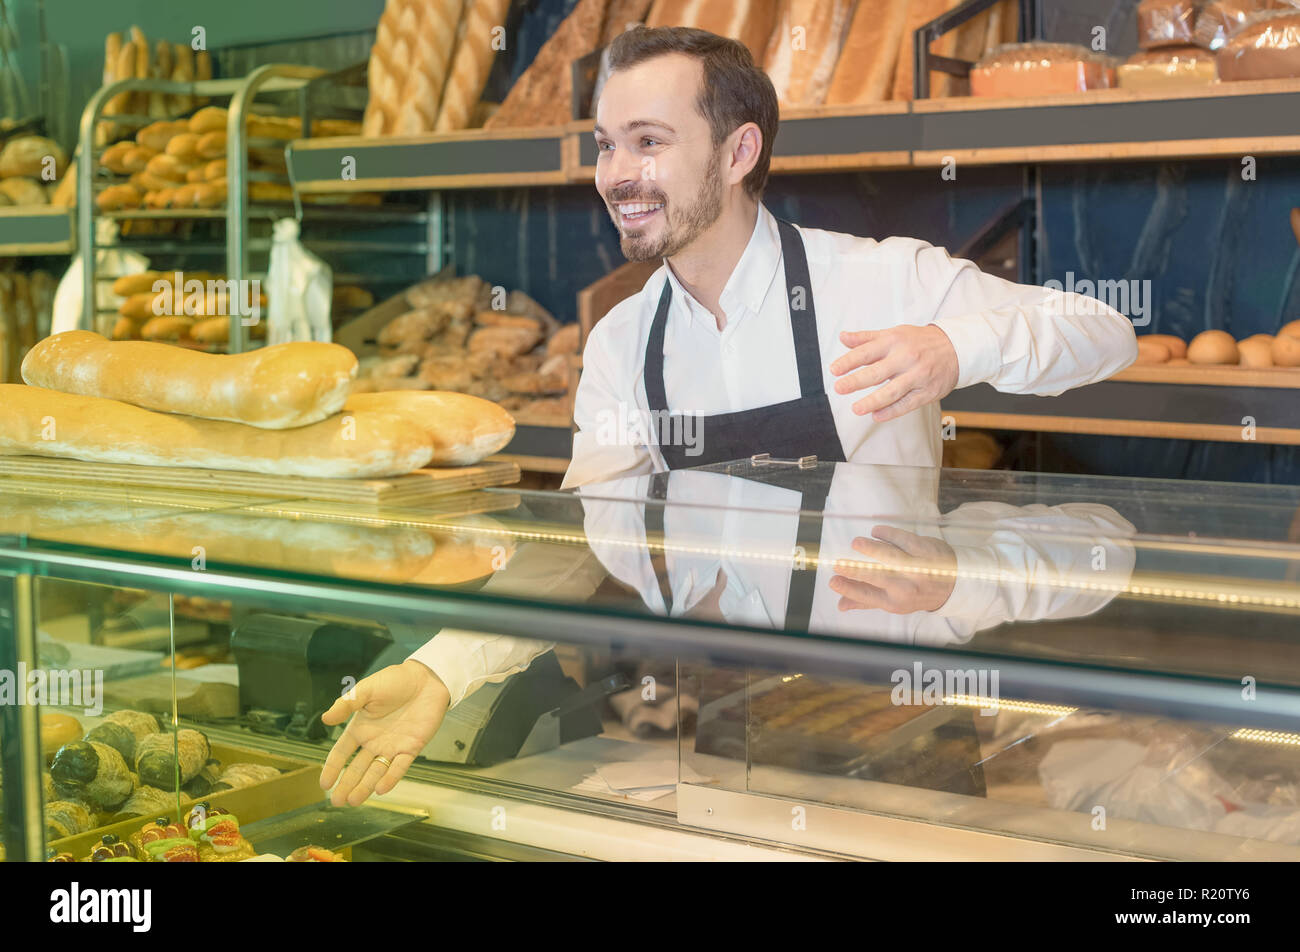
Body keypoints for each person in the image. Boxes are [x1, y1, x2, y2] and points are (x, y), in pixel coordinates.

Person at [319, 25, 1137, 807]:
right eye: (606, 145)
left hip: (903, 720)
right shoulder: (623, 343)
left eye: (649, 141)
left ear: (739, 151)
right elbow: (585, 539)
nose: (616, 175)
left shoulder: (878, 280)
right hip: (726, 726)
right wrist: (442, 669)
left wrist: (957, 346)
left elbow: (1105, 335)